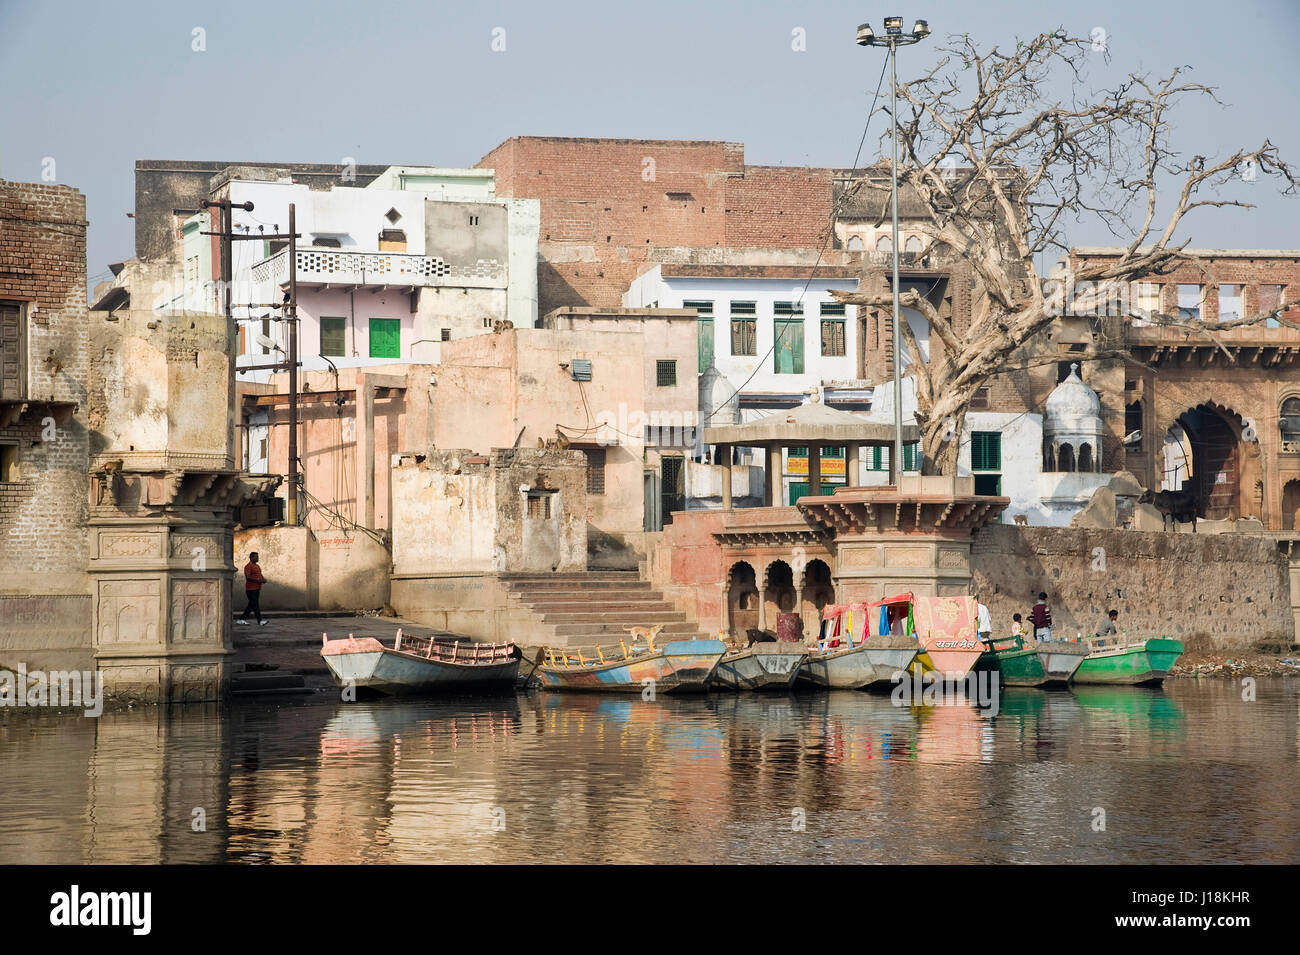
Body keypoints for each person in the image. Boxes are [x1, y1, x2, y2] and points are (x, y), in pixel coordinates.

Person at [238, 552, 268, 627]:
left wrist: (263, 579)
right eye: (256, 557)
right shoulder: (248, 566)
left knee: (251, 605)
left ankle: (241, 619)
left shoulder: (257, 566)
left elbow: (260, 575)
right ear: (251, 558)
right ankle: (260, 621)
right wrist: (258, 580)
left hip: (257, 588)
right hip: (250, 589)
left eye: (258, 556)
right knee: (255, 605)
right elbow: (248, 577)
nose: (257, 558)